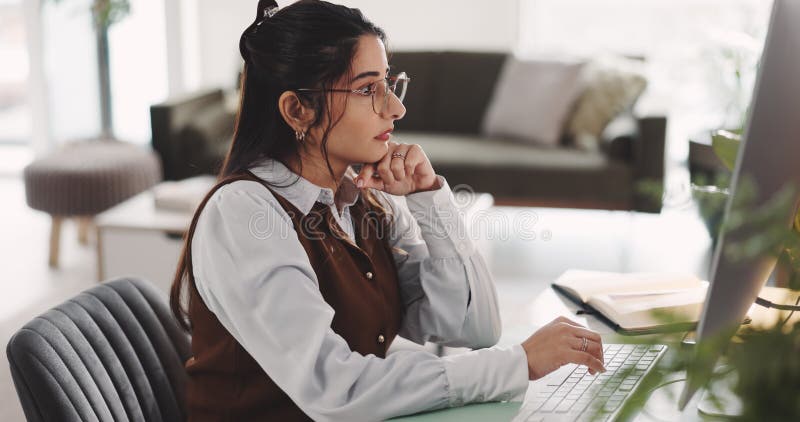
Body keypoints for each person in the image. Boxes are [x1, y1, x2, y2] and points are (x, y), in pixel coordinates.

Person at [169, 1, 606, 420]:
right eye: (367, 89)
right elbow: (336, 388)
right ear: (297, 109)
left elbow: (475, 326)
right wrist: (519, 364)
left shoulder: (362, 203)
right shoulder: (243, 214)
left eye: (389, 85)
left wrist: (430, 197)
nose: (395, 108)